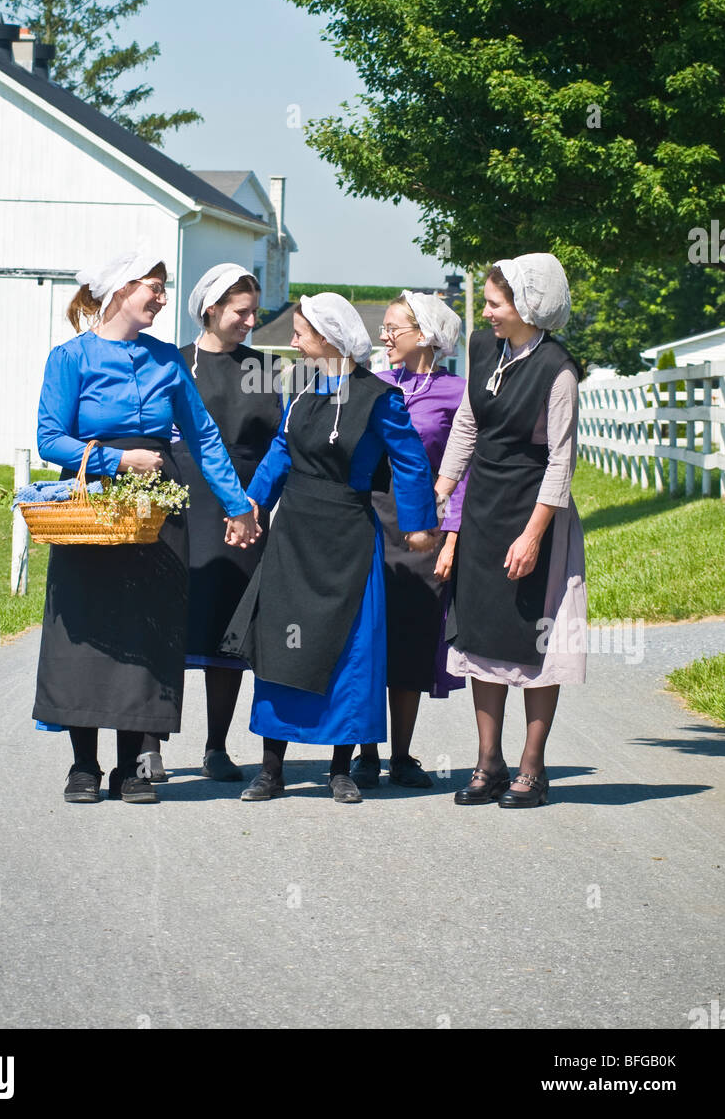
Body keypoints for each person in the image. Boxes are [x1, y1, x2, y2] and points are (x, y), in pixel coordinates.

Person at [31, 245, 258, 805]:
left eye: (162, 287)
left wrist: (237, 504)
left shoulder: (165, 360)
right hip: (90, 506)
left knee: (147, 632)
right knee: (84, 631)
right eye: (152, 287)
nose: (162, 297)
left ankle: (131, 765)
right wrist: (118, 460)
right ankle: (84, 765)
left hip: (158, 511)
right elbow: (49, 438)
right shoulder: (70, 358)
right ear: (119, 292)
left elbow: (202, 435)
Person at [220, 293, 439, 804]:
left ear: (328, 337)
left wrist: (418, 524)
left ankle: (341, 767)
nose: (294, 342)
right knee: (282, 647)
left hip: (348, 539)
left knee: (349, 652)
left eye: (301, 333)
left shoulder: (380, 397)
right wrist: (252, 506)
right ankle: (271, 769)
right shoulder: (300, 394)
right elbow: (280, 454)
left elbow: (409, 461)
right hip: (294, 538)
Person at [435, 254, 587, 809]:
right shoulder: (483, 349)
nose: (489, 313)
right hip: (484, 510)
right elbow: (468, 424)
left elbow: (561, 463)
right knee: (482, 633)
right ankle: (488, 762)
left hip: (535, 513)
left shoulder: (559, 370)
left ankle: (531, 766)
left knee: (534, 636)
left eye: (497, 305)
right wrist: (443, 489)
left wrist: (533, 535)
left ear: (527, 306)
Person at [152, 263, 281, 783]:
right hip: (180, 502)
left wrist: (252, 506)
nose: (251, 320)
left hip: (243, 509)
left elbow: (282, 445)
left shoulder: (269, 369)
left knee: (228, 629)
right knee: (167, 625)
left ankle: (217, 747)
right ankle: (149, 748)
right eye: (241, 311)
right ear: (210, 308)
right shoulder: (173, 362)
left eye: (254, 311)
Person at [351, 290, 468, 790]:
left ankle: (401, 755)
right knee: (367, 640)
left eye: (393, 327)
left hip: (423, 531)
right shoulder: (374, 385)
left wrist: (452, 537)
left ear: (425, 336)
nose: (383, 335)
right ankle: (364, 754)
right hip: (371, 523)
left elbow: (464, 471)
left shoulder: (459, 392)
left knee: (410, 642)